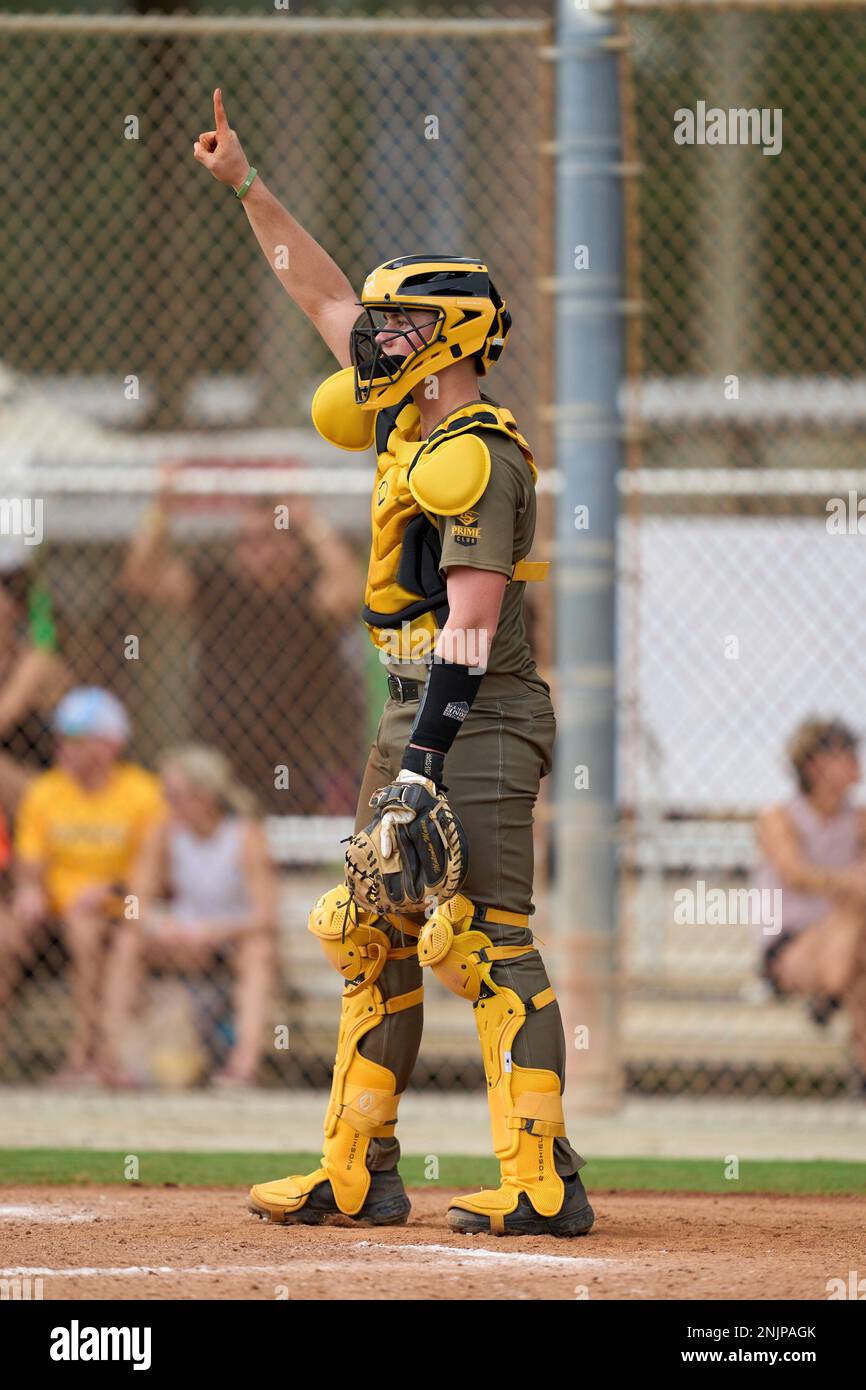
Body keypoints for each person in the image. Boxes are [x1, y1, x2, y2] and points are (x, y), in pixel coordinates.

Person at [193, 89, 594, 1239]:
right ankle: (359, 1166)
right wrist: (246, 182)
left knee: (480, 935)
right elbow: (315, 286)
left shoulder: (477, 455)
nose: (371, 336)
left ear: (450, 339)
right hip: (412, 710)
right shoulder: (399, 417)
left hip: (479, 717)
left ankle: (539, 1177)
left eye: (397, 325)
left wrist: (420, 769)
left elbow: (469, 629)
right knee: (363, 924)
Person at [122, 486, 365, 815]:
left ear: (292, 544)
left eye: (264, 539)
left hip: (293, 759)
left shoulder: (308, 593)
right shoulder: (219, 587)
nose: (252, 551)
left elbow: (353, 594)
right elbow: (141, 576)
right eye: (245, 541)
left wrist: (312, 524)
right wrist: (161, 510)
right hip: (219, 757)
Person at [3, 688, 164, 1081]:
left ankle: (85, 1052)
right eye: (60, 738)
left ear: (108, 745)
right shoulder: (46, 791)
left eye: (75, 740)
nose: (62, 748)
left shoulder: (142, 793)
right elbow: (29, 863)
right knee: (4, 934)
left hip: (114, 911)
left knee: (84, 928)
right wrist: (29, 890)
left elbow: (149, 876)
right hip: (51, 913)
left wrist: (108, 892)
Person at [101, 744, 277, 1087]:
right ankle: (115, 1059)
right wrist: (158, 925)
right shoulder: (164, 832)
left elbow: (265, 915)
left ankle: (242, 1066)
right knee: (126, 943)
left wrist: (212, 931)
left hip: (228, 940)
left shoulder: (243, 835)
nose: (167, 803)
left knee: (259, 951)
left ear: (204, 796)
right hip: (178, 937)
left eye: (174, 795)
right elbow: (133, 902)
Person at [755, 718, 866, 1078]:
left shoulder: (858, 820)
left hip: (847, 945)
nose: (855, 761)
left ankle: (830, 999)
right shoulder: (781, 817)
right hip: (792, 947)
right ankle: (832, 990)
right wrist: (850, 881)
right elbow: (796, 873)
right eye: (845, 753)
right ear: (815, 765)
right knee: (856, 915)